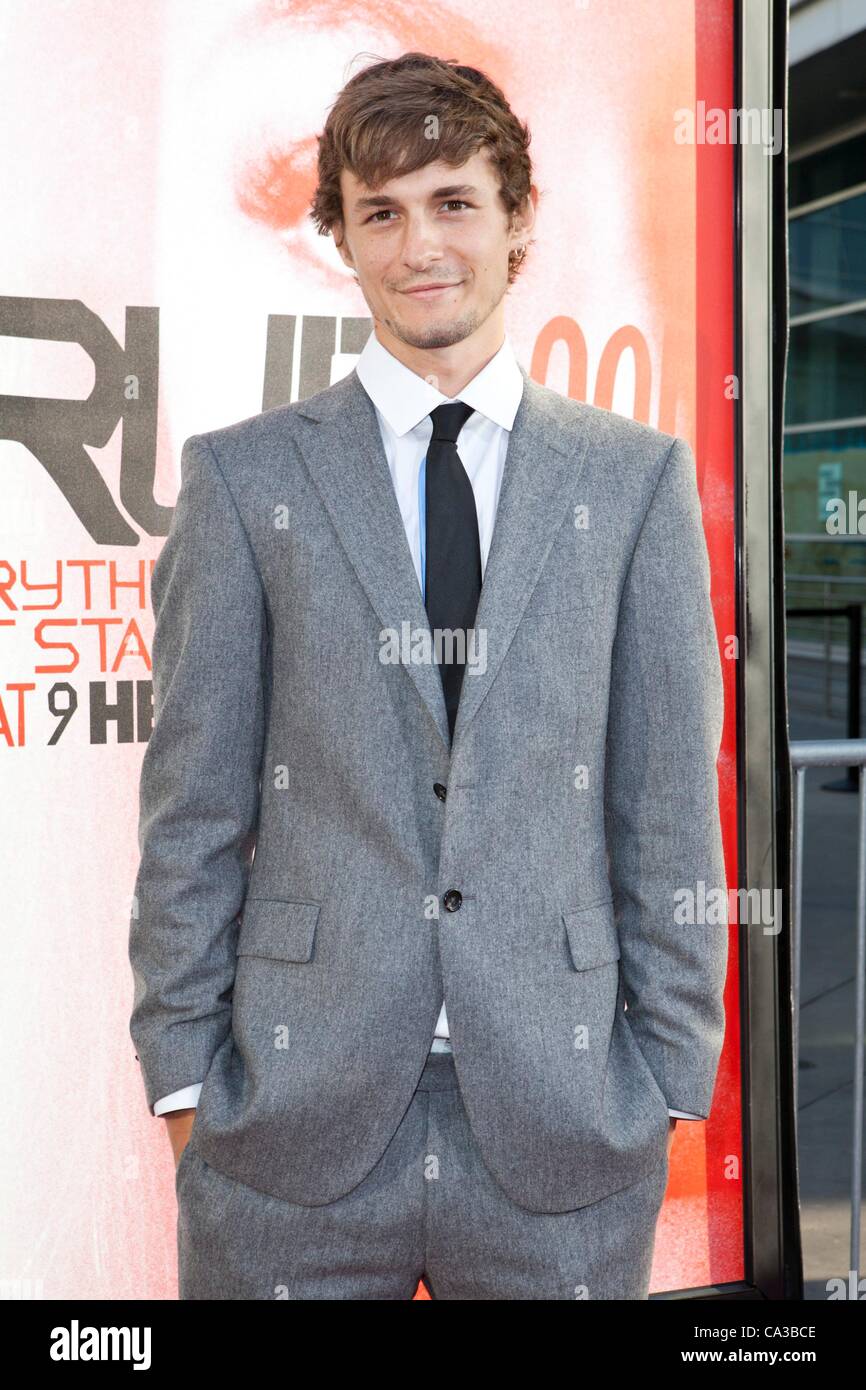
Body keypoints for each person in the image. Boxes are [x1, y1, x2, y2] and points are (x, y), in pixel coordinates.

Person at [129, 51, 728, 1300]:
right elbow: (193, 806)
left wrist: (667, 1083)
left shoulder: (630, 482)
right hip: (291, 1134)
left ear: (516, 221)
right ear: (341, 240)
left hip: (562, 1130)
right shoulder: (246, 482)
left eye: (452, 201)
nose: (419, 245)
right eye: (379, 212)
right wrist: (190, 1088)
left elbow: (668, 810)